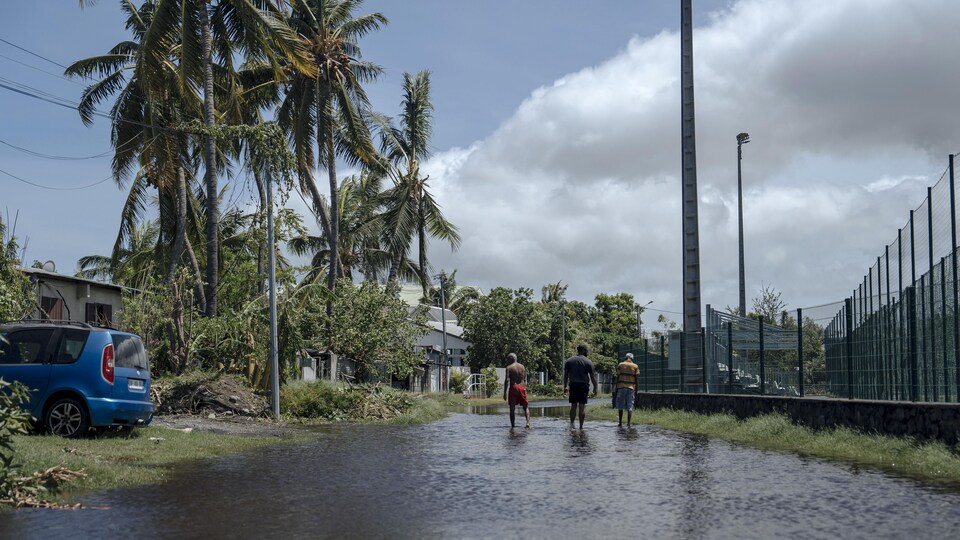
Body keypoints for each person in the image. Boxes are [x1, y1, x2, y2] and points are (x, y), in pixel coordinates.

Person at [562, 343, 598, 429]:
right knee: (582, 406)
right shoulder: (588, 362)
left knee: (573, 405)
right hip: (583, 386)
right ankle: (581, 427)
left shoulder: (569, 361)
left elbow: (566, 375)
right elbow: (592, 376)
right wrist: (595, 387)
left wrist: (565, 386)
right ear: (584, 350)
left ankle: (572, 424)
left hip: (573, 385)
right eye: (586, 350)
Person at [502, 353, 530, 428]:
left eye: (508, 359)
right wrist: (524, 388)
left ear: (511, 359)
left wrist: (504, 392)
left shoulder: (509, 367)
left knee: (512, 408)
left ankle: (513, 426)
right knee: (525, 406)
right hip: (522, 387)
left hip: (514, 387)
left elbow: (507, 380)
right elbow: (525, 379)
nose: (507, 361)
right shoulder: (522, 367)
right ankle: (528, 423)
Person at [614, 352, 640, 427]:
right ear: (632, 359)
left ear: (625, 358)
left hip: (621, 387)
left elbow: (617, 377)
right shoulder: (635, 366)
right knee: (630, 406)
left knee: (620, 406)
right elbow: (637, 379)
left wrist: (616, 388)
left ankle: (620, 423)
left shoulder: (620, 365)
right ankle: (628, 423)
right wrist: (636, 391)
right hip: (631, 388)